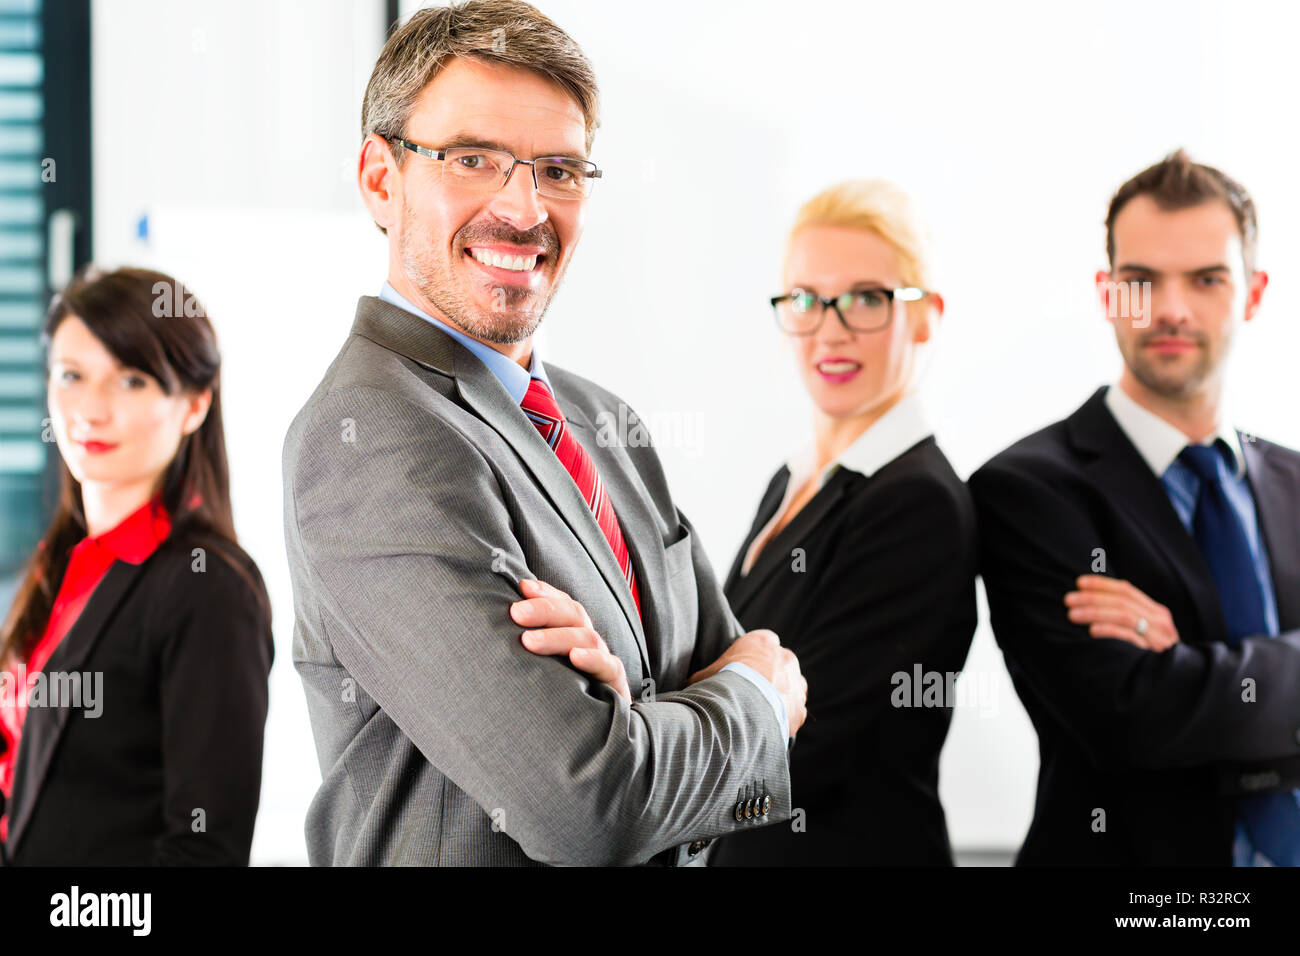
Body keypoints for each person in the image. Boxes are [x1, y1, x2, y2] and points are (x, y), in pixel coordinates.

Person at [284, 0, 806, 867]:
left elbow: (752, 711)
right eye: (472, 159)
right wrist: (726, 705)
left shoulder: (609, 425)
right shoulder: (372, 435)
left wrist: (637, 721)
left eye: (558, 169)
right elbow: (592, 807)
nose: (524, 211)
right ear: (381, 178)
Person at [970, 150, 1300, 866]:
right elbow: (1133, 719)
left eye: (1207, 279)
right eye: (1142, 280)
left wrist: (1190, 665)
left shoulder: (1298, 483)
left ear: (1253, 293)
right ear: (1107, 292)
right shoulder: (1028, 490)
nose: (1172, 308)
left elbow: (1186, 702)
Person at [709, 180, 976, 866]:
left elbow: (805, 746)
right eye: (806, 299)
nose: (830, 328)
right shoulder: (793, 480)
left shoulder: (918, 502)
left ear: (924, 316)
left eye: (865, 298)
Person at [0, 267, 273, 865]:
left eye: (130, 380)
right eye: (71, 376)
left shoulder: (208, 589)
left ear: (195, 404)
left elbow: (204, 852)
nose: (90, 411)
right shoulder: (61, 565)